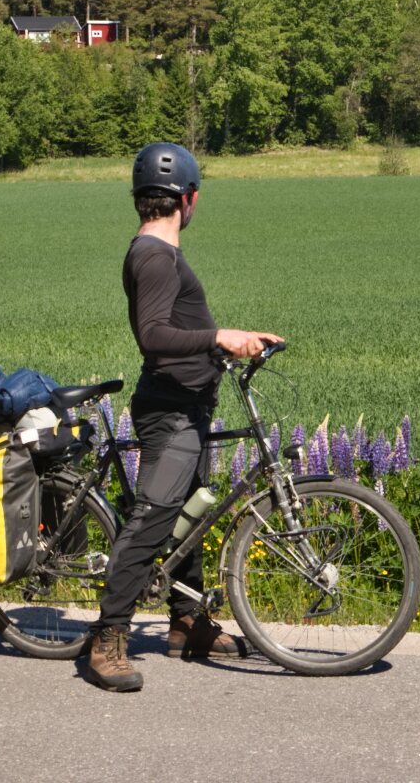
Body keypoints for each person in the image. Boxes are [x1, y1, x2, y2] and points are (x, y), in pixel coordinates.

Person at [84, 141, 281, 693]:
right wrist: (219, 336)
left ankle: (187, 623)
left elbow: (177, 333)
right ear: (187, 200)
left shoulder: (159, 253)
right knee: (153, 517)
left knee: (189, 518)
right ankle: (107, 639)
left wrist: (229, 347)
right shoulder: (153, 256)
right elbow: (154, 336)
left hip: (189, 404)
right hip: (168, 412)